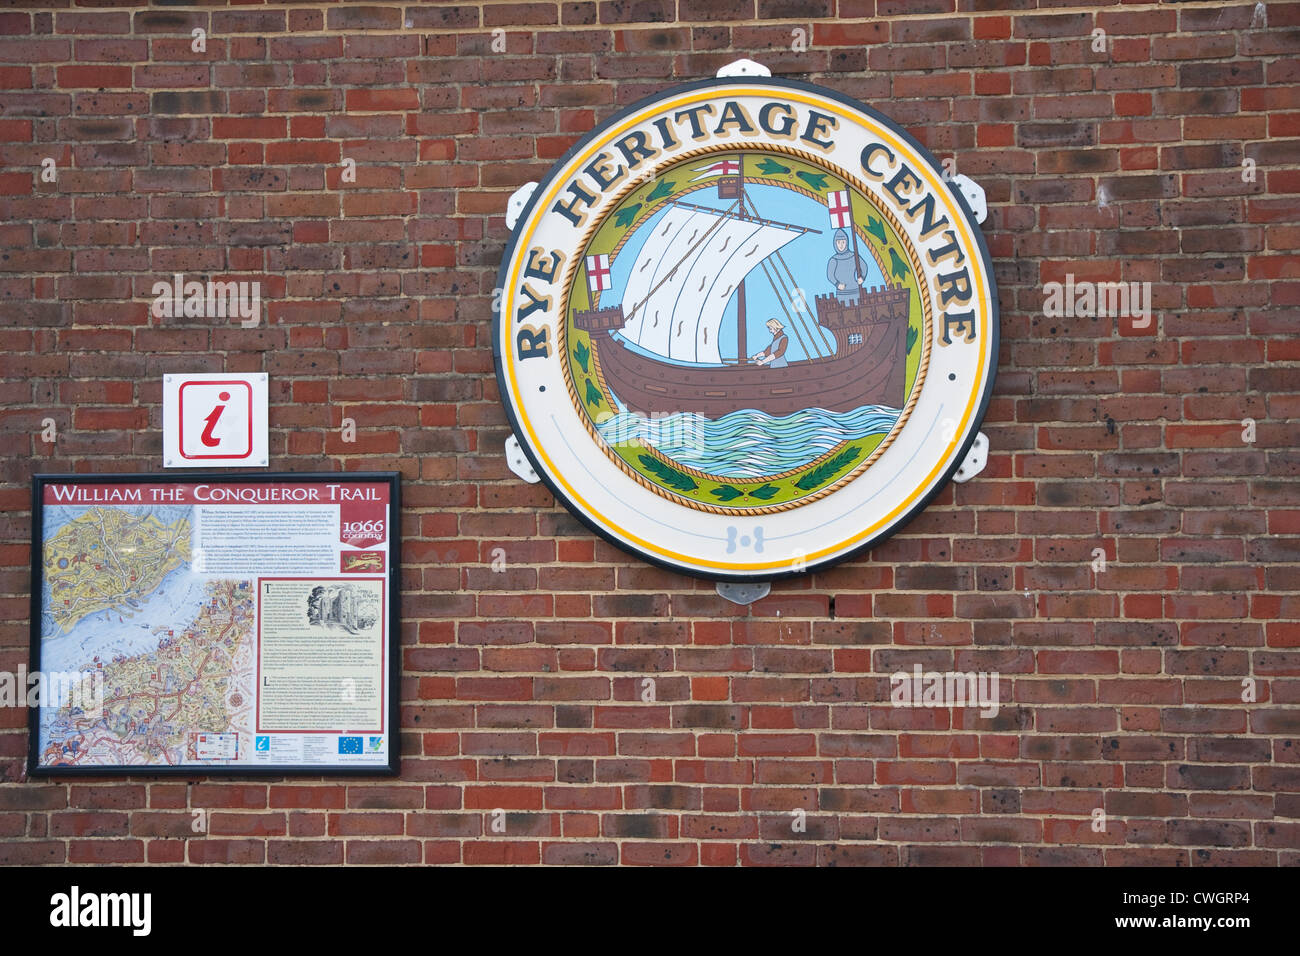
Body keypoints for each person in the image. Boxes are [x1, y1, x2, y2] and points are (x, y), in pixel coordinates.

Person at [827, 228, 869, 304]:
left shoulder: (854, 256)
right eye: (839, 242)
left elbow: (864, 266)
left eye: (843, 242)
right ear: (835, 243)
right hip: (842, 292)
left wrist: (862, 277)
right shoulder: (834, 260)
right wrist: (837, 284)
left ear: (846, 242)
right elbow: (830, 275)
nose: (841, 245)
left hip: (855, 289)